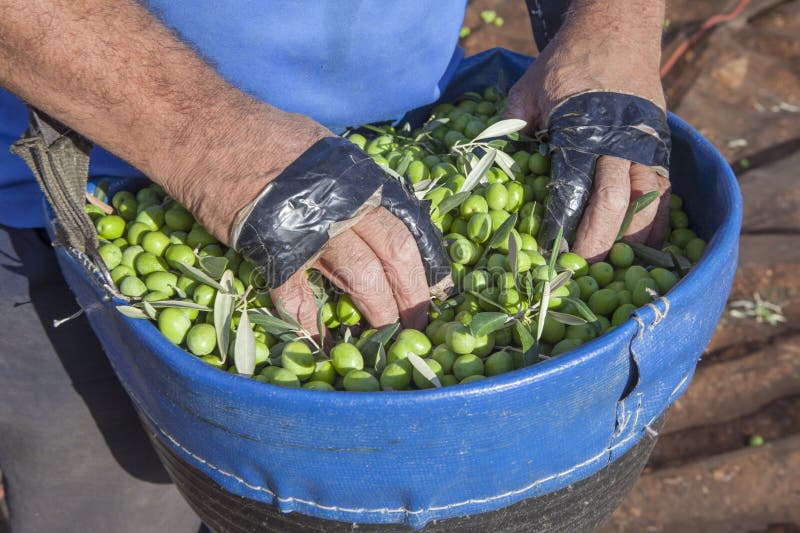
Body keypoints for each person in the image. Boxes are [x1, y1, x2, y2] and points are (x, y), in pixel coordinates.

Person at [0, 1, 669, 530]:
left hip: (411, 120)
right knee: (107, 498)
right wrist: (201, 138)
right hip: (76, 186)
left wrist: (616, 21)